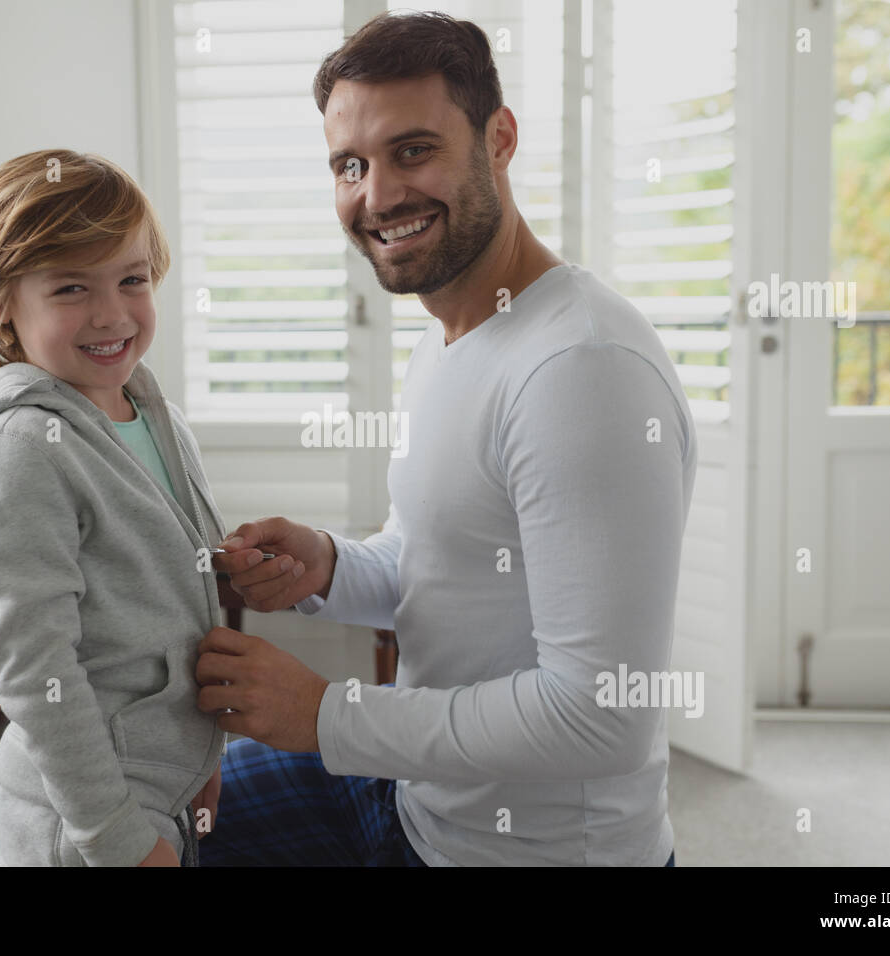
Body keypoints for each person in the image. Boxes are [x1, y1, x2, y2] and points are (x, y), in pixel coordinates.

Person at [196, 12, 694, 866]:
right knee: (158, 824)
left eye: (413, 150)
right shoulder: (454, 333)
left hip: (518, 853)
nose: (378, 195)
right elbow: (452, 568)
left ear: (498, 140)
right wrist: (330, 565)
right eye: (350, 165)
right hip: (413, 793)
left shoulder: (581, 370)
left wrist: (325, 716)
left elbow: (601, 714)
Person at [0, 149, 231, 866]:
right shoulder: (18, 454)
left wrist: (204, 756)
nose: (111, 314)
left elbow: (168, 598)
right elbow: (37, 672)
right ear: (1, 304)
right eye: (71, 288)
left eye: (132, 279)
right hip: (88, 817)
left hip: (164, 780)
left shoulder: (149, 411)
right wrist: (116, 839)